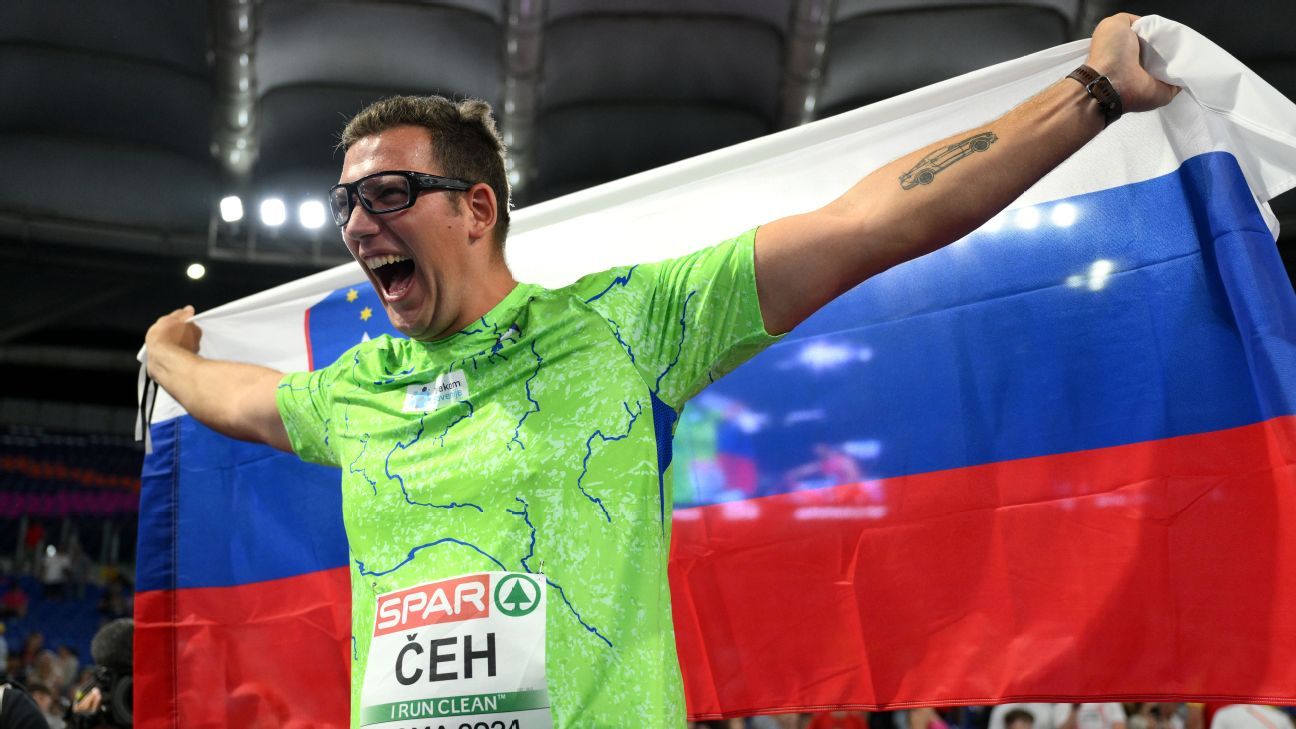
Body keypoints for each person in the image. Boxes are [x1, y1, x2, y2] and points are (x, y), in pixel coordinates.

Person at [144, 14, 1176, 728]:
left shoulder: (627, 325)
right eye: (346, 204)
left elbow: (869, 223)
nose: (358, 223)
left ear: (476, 208)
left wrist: (1091, 94)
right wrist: (165, 357)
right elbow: (240, 400)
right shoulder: (357, 390)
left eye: (390, 194)